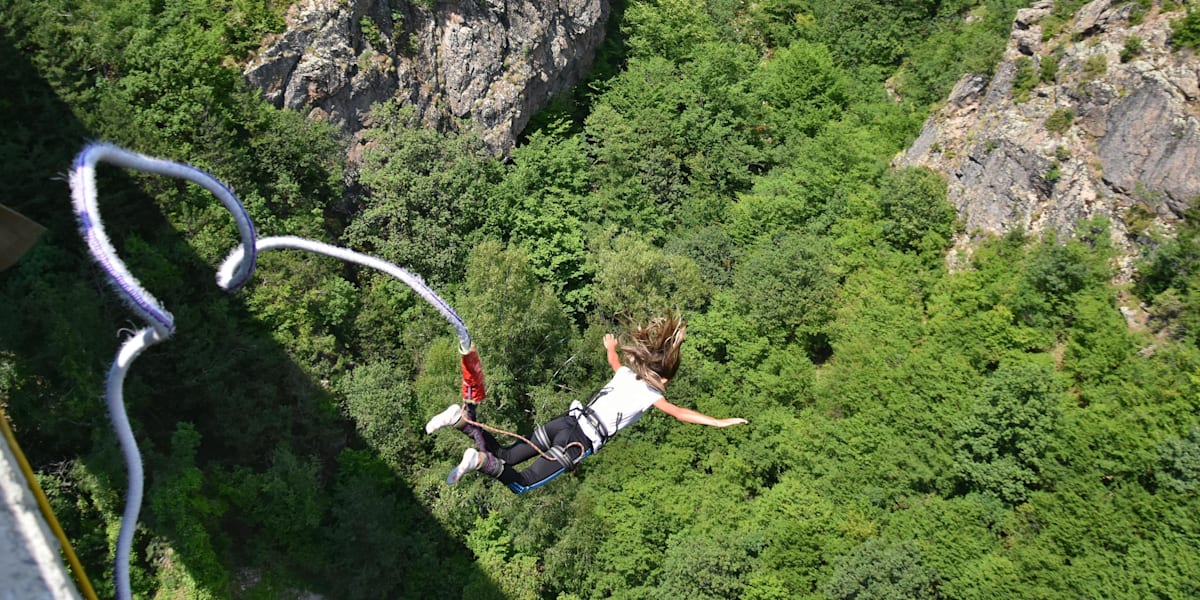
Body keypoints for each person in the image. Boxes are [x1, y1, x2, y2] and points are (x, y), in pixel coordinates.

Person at [424, 311, 748, 493]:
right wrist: (719, 422)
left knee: (506, 455)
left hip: (566, 423)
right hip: (577, 443)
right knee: (522, 484)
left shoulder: (627, 374)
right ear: (664, 378)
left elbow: (614, 361)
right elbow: (679, 414)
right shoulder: (651, 394)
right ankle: (479, 461)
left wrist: (611, 346)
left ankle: (461, 421)